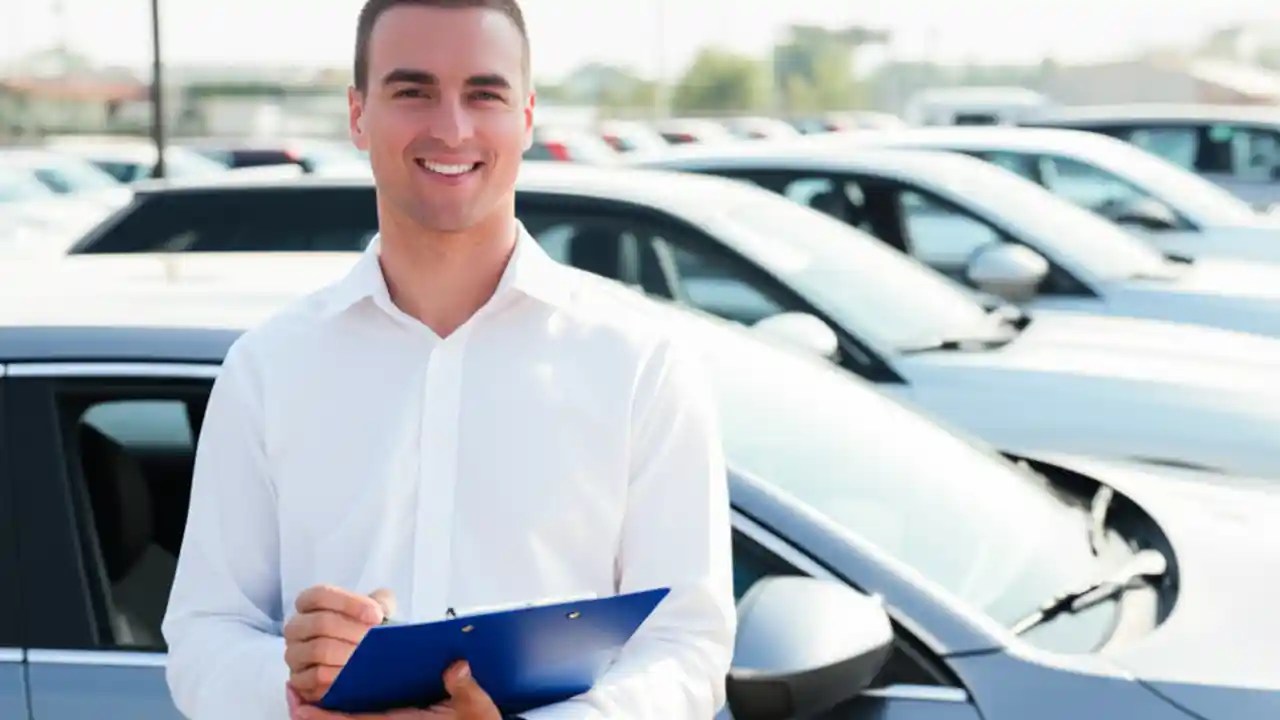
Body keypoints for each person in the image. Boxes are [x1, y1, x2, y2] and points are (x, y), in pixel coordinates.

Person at [160, 1, 736, 719]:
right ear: (358, 113)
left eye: (484, 94)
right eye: (413, 91)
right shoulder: (268, 368)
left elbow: (688, 644)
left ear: (526, 115)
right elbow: (203, 632)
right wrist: (290, 688)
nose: (452, 127)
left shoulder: (641, 363)